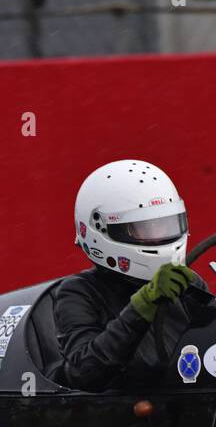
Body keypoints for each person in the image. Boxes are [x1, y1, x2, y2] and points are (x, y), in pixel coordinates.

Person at [54, 160, 203, 391]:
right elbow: (83, 373)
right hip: (124, 417)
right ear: (100, 230)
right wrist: (143, 304)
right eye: (146, 229)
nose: (160, 237)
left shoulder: (187, 283)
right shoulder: (77, 293)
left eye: (166, 225)